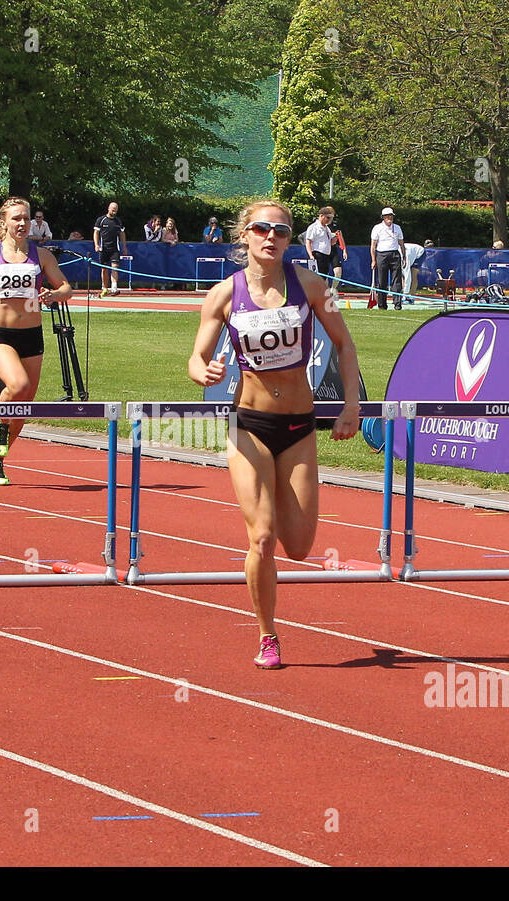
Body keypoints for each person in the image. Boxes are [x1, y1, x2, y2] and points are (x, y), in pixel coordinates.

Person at [188, 199, 360, 670]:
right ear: (244, 234)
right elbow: (194, 357)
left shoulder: (309, 284)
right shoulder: (224, 294)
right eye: (262, 229)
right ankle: (268, 635)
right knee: (261, 537)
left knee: (300, 546)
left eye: (281, 231)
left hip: (300, 427)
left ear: (290, 239)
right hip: (250, 425)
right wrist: (204, 370)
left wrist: (350, 405)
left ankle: (282, 504)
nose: (271, 237)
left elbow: (344, 345)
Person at [0, 197, 72, 486]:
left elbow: (66, 287)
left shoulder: (42, 256)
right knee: (17, 386)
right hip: (0, 335)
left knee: (25, 405)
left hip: (32, 336)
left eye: (26, 218)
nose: (22, 224)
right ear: (4, 222)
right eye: (16, 218)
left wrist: (55, 295)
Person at [369, 206, 404, 309]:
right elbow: (373, 246)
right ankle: (382, 305)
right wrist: (373, 260)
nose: (389, 218)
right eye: (387, 216)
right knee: (381, 281)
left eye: (391, 216)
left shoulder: (397, 228)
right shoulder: (377, 228)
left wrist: (404, 256)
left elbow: (401, 243)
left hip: (394, 254)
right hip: (381, 255)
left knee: (396, 281)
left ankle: (397, 304)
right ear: (383, 217)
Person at [93, 200, 125, 296]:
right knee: (104, 269)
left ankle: (114, 288)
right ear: (109, 208)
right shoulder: (101, 220)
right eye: (113, 208)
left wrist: (124, 246)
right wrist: (96, 245)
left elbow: (122, 234)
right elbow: (96, 233)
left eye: (116, 209)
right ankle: (104, 288)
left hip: (115, 249)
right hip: (104, 249)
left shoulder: (118, 221)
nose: (114, 210)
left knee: (115, 267)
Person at [303, 206, 335, 280]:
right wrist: (311, 255)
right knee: (317, 277)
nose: (329, 220)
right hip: (318, 254)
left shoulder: (327, 228)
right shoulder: (314, 227)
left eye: (330, 218)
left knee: (324, 277)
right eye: (327, 217)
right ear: (321, 216)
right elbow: (308, 242)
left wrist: (335, 238)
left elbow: (330, 242)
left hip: (326, 255)